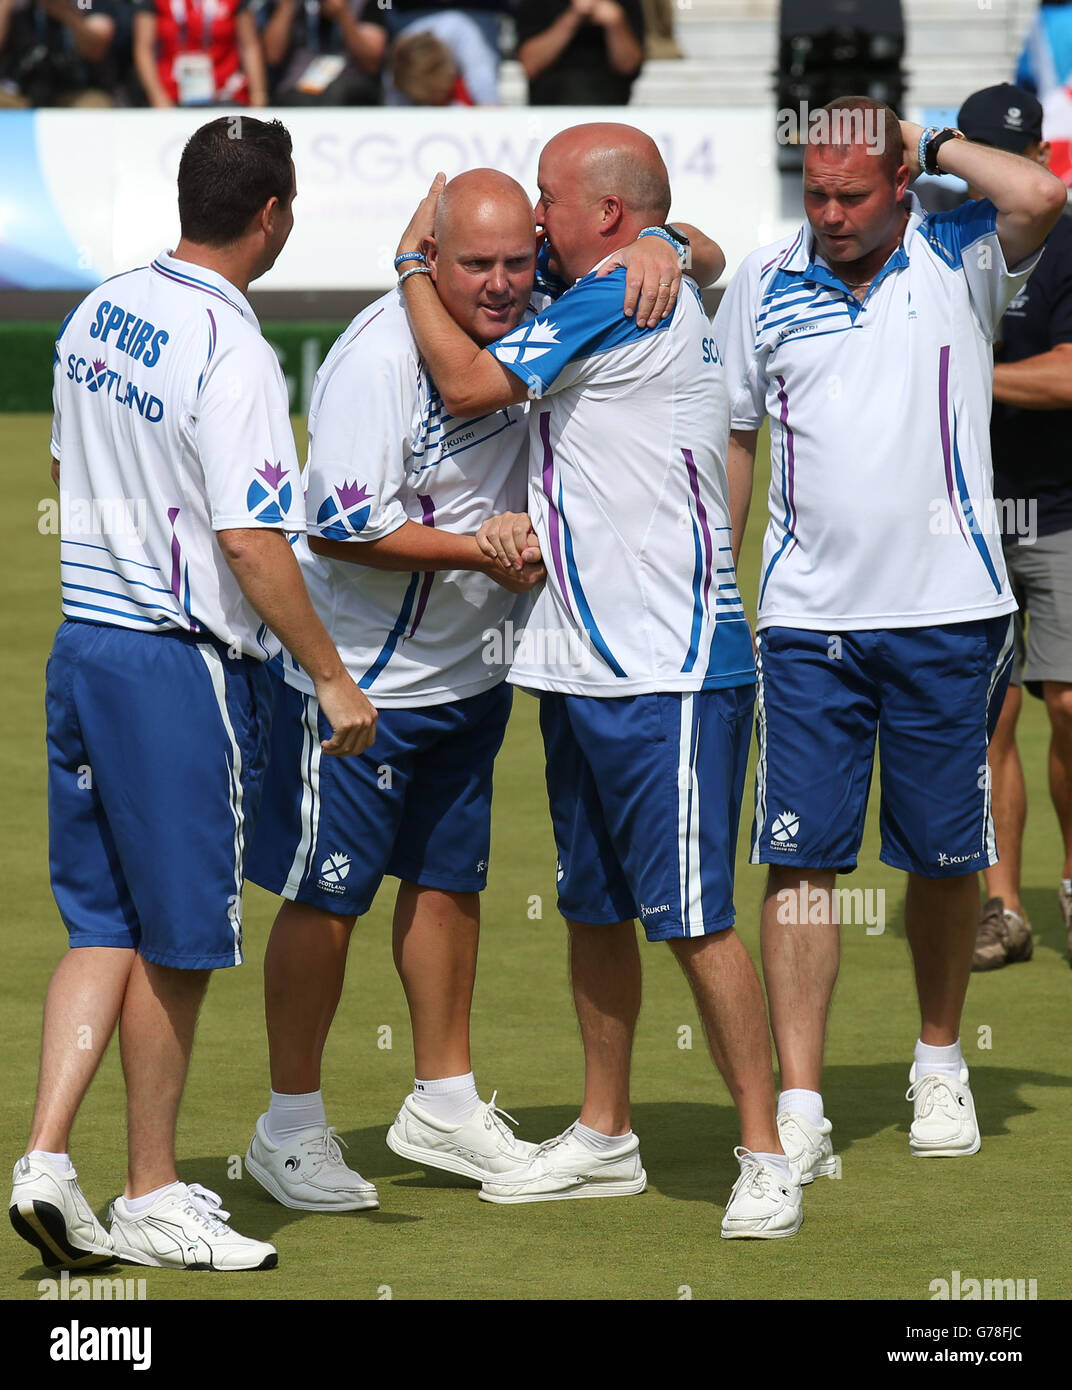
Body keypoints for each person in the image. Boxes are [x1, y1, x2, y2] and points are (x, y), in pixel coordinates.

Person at [242, 165, 707, 1211]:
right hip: (363, 679)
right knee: (326, 896)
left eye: (514, 262)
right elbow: (336, 528)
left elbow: (676, 249)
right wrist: (475, 550)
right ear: (431, 259)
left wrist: (664, 240)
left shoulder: (549, 304)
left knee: (449, 883)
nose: (501, 285)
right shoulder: (374, 357)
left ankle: (444, 1101)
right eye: (475, 265)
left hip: (471, 674)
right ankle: (289, 1124)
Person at [395, 122, 803, 1239]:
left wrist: (407, 265)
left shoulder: (616, 295)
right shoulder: (641, 270)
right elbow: (700, 248)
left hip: (661, 666)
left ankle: (765, 1151)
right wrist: (679, 236)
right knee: (595, 905)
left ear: (607, 219)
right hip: (583, 660)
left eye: (547, 201)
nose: (533, 220)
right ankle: (605, 1132)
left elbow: (469, 381)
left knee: (695, 919)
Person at [8, 115, 377, 1274]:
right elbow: (253, 539)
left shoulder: (96, 310)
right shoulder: (232, 344)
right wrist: (328, 671)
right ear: (272, 214)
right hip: (176, 670)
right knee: (177, 939)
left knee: (100, 921)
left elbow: (69, 473)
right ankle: (154, 1190)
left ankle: (46, 1160)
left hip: (86, 647)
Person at [713, 97, 1065, 1181]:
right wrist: (720, 588)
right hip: (810, 622)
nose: (829, 214)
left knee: (944, 857)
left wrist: (935, 134)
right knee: (799, 859)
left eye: (852, 195)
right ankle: (804, 1098)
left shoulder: (958, 251)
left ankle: (939, 1061)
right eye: (814, 193)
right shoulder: (764, 283)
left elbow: (1043, 192)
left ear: (900, 184)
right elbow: (737, 438)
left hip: (949, 614)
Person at [955, 83, 1072, 970]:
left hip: (1064, 507)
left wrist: (958, 375)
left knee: (1068, 705)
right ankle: (1002, 907)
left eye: (1024, 157)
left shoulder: (1069, 237)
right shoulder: (938, 238)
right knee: (985, 718)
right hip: (963, 511)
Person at [133, 0, 268, 107]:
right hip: (172, 91)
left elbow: (250, 45)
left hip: (226, 92)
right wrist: (157, 97)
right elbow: (144, 48)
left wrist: (258, 95)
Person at [515, 0, 644, 106]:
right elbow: (529, 65)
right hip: (549, 112)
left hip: (610, 111)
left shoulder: (625, 4)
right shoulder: (537, 4)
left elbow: (629, 66)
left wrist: (616, 23)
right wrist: (573, 17)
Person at [257, 0, 385, 106]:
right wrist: (287, 8)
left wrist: (343, 15)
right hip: (296, 89)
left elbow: (371, 63)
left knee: (339, 93)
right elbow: (272, 56)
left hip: (349, 86)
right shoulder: (290, 5)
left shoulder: (366, 3)